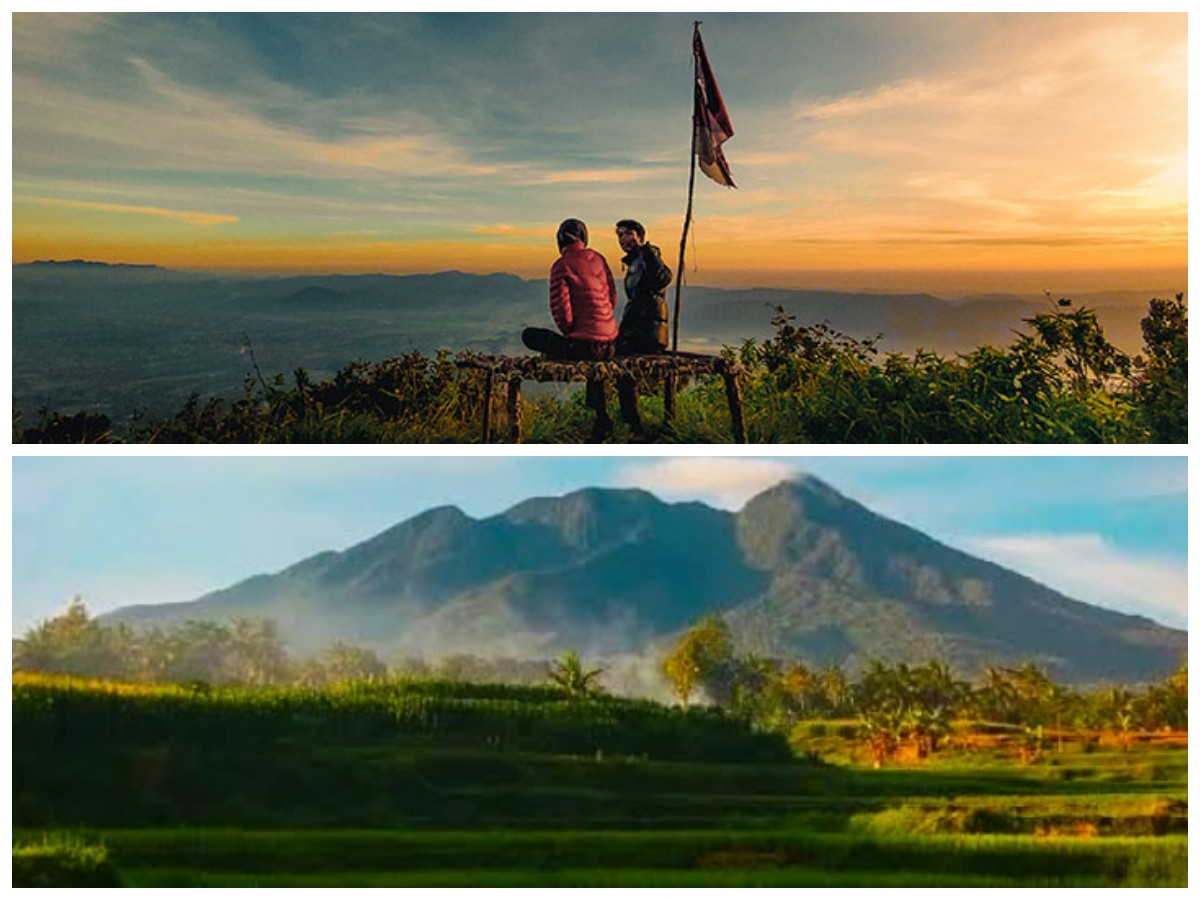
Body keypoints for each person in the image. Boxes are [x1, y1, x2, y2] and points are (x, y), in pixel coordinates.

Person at [522, 218, 619, 441]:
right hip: (610, 345)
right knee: (595, 363)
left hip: (584, 347)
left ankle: (601, 421)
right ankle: (600, 419)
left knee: (529, 335)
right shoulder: (599, 259)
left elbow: (562, 313)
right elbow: (612, 299)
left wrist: (573, 333)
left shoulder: (561, 265)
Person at [613, 219, 673, 435]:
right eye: (620, 235)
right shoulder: (635, 261)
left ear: (640, 235)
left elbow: (663, 278)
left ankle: (632, 426)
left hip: (648, 332)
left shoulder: (649, 257)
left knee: (622, 368)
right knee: (615, 364)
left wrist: (649, 253)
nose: (623, 239)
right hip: (638, 329)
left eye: (628, 233)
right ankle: (630, 423)